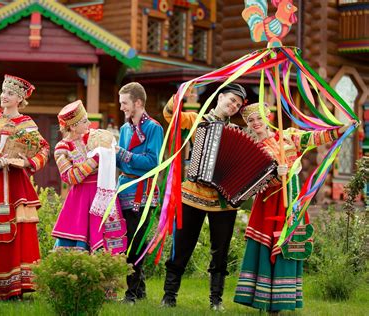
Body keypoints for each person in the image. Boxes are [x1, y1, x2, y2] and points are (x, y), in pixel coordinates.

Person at [234, 103, 353, 314]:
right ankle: (262, 298)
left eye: (259, 118)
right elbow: (250, 183)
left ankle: (280, 302)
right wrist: (272, 175)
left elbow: (314, 138)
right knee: (267, 242)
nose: (255, 123)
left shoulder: (287, 136)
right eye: (250, 121)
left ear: (268, 117)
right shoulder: (252, 147)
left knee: (288, 242)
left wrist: (341, 129)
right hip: (268, 202)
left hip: (291, 198)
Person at [160, 83, 247, 310]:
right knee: (182, 245)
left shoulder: (238, 134)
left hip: (223, 201)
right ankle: (169, 297)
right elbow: (169, 115)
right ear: (220, 97)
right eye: (231, 100)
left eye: (238, 105)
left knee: (221, 251)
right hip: (192, 194)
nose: (234, 106)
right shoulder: (197, 120)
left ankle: (216, 301)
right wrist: (181, 94)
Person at [0, 74, 50, 300]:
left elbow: (43, 149)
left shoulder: (26, 124)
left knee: (14, 230)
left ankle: (15, 286)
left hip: (13, 183)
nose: (4, 96)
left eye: (10, 94)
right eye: (4, 92)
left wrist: (26, 162)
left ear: (20, 99)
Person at [51, 100, 127, 254]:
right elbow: (70, 177)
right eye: (85, 121)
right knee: (78, 241)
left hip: (102, 194)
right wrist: (95, 160)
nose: (89, 123)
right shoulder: (62, 148)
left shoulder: (92, 139)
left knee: (106, 240)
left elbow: (109, 147)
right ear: (72, 126)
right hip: (80, 199)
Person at [115, 82, 164, 304]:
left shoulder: (154, 128)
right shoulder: (125, 129)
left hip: (142, 193)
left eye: (124, 103)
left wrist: (123, 154)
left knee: (136, 243)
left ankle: (131, 293)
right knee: (127, 241)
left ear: (138, 102)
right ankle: (140, 291)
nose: (121, 107)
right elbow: (121, 161)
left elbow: (153, 162)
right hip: (123, 189)